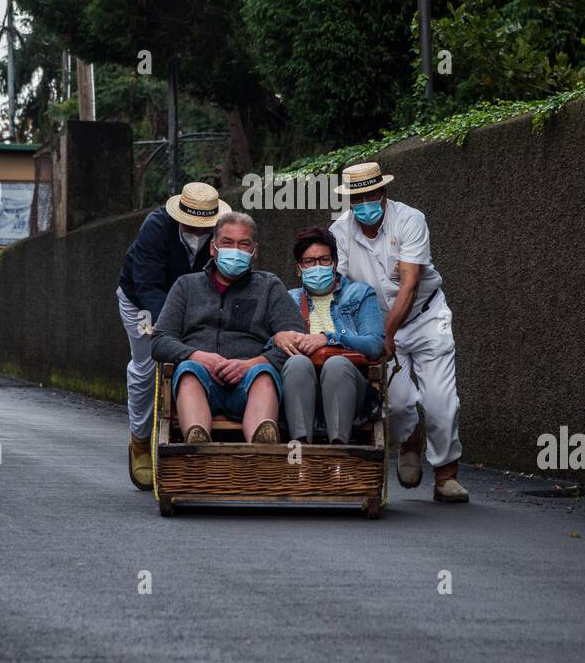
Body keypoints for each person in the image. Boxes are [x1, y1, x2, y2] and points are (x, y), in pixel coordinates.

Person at [330, 161, 467, 504]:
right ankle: (410, 439)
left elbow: (409, 284)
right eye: (355, 198)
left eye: (370, 195)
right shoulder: (339, 232)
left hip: (425, 316)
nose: (363, 203)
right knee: (399, 403)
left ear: (383, 193)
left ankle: (446, 474)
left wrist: (387, 337)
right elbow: (339, 286)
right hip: (375, 324)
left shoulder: (410, 220)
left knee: (440, 401)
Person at [149, 212, 304, 445]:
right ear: (213, 248)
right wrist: (197, 356)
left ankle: (262, 446)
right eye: (227, 243)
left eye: (244, 244)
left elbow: (296, 341)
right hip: (201, 380)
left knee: (264, 376)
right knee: (188, 371)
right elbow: (160, 340)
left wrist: (252, 364)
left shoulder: (269, 286)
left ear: (255, 251)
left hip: (250, 381)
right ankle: (197, 442)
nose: (235, 250)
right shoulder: (186, 286)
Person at [117, 181, 231, 488]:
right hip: (142, 303)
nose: (197, 232)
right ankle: (140, 441)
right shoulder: (156, 227)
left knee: (198, 362)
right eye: (191, 226)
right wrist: (169, 328)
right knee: (146, 366)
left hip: (193, 304)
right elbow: (147, 285)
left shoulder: (223, 232)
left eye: (203, 226)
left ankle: (192, 440)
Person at [273, 226, 384, 444]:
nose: (317, 266)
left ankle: (338, 452)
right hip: (299, 390)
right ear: (299, 269)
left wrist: (332, 337)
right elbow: (264, 345)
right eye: (309, 261)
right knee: (297, 363)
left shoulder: (360, 293)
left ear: (334, 263)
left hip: (350, 390)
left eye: (324, 259)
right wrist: (277, 338)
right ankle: (302, 450)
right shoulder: (288, 299)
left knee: (336, 364)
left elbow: (375, 344)